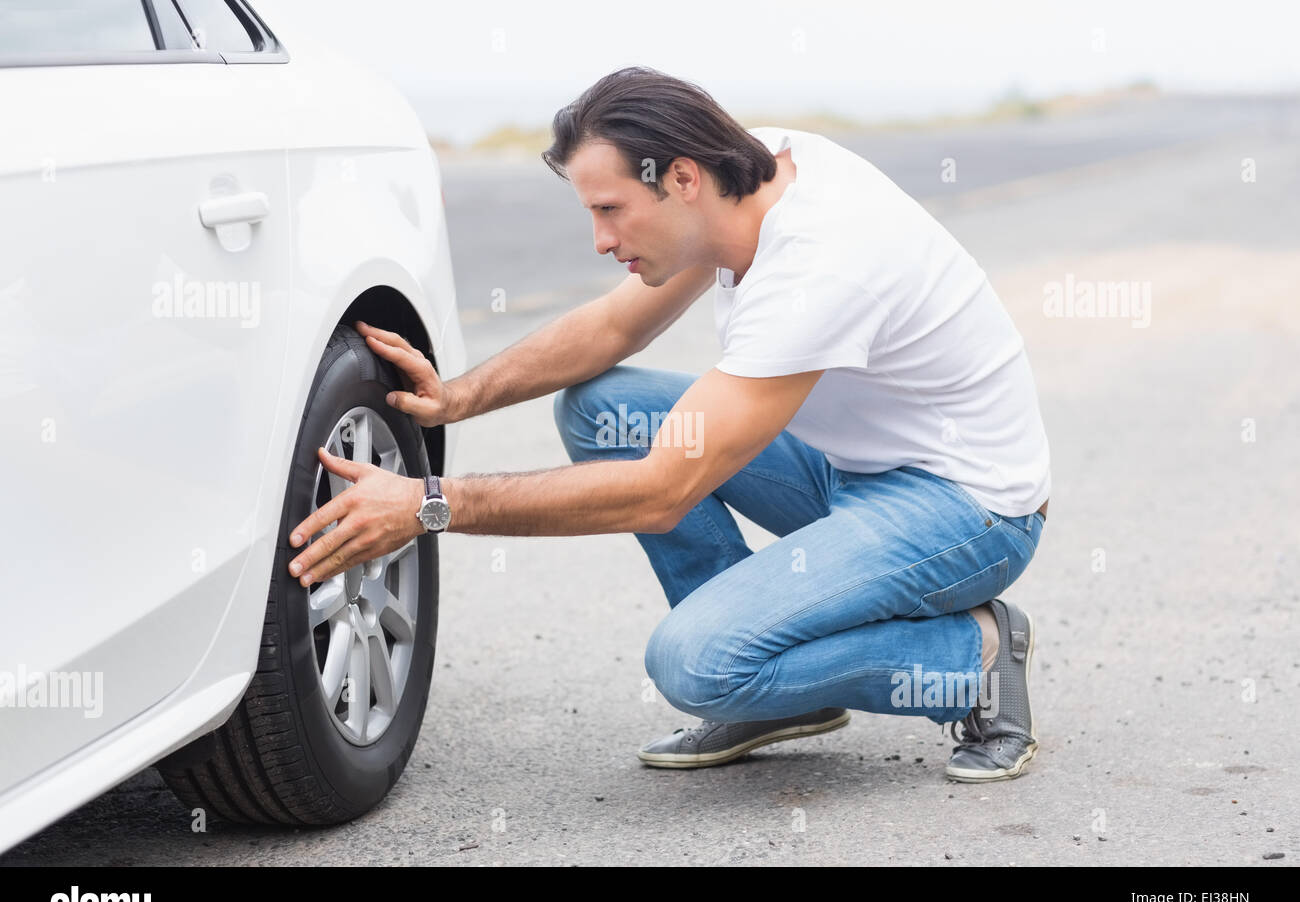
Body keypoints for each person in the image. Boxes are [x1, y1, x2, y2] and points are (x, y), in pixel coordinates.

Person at [285, 65, 1051, 783]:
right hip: (852, 466)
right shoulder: (743, 177)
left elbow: (661, 493)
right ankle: (778, 691)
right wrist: (458, 396)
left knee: (696, 665)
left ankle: (973, 660)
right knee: (603, 410)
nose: (601, 240)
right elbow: (613, 331)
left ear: (681, 179)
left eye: (610, 210)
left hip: (966, 508)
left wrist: (427, 504)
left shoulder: (819, 265)